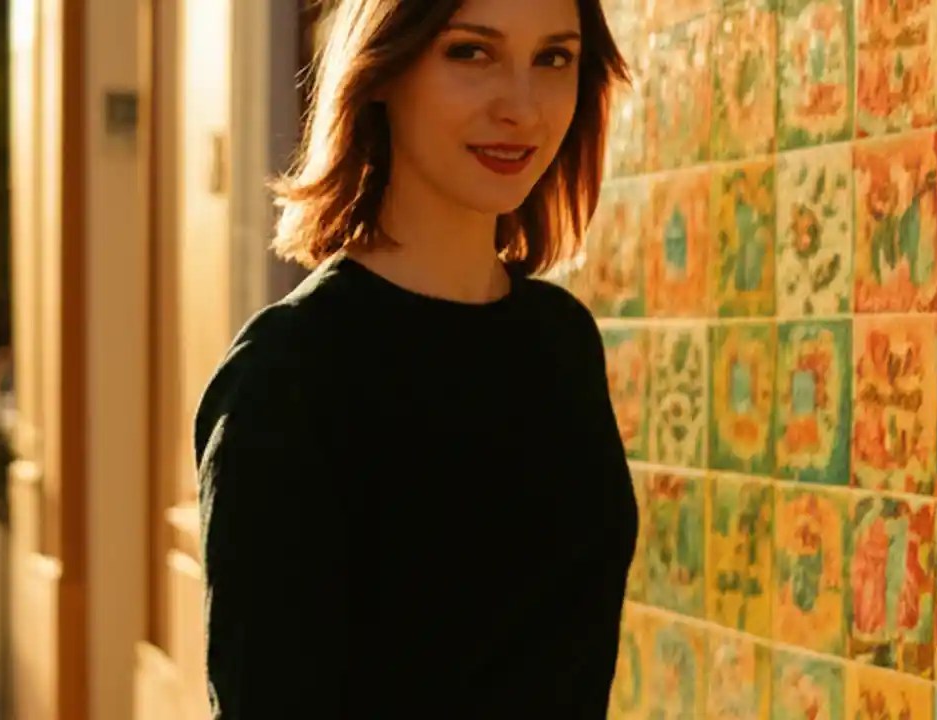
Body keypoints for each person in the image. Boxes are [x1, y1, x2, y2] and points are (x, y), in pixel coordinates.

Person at [192, 0, 637, 716]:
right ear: (381, 70)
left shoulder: (562, 344)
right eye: (471, 53)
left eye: (553, 58)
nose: (521, 107)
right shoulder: (288, 377)